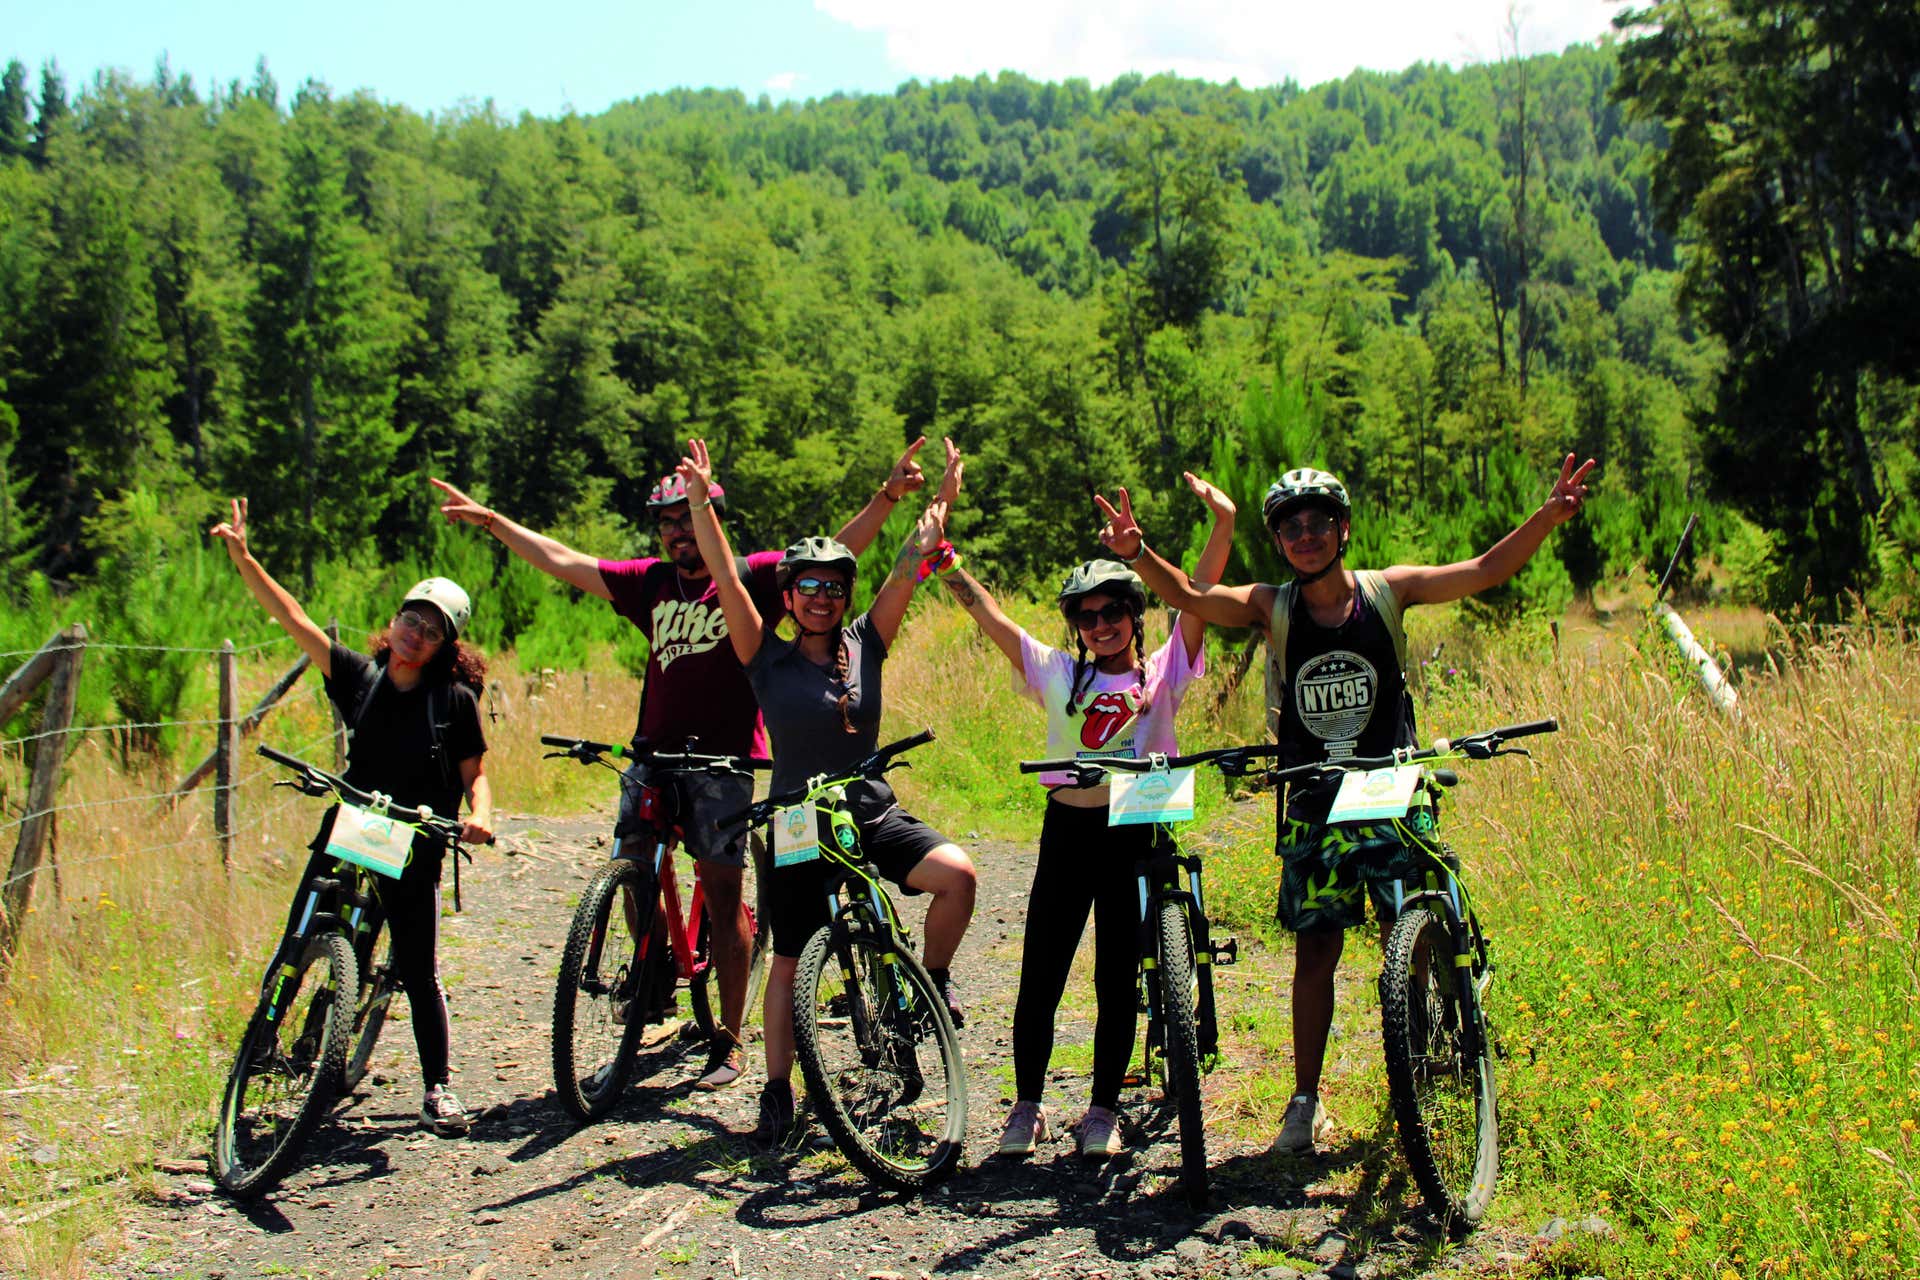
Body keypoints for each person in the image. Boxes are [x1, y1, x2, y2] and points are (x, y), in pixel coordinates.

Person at [1094, 454, 1596, 1154]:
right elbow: (1192, 595)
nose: (1305, 536)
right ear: (1279, 541)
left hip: (1390, 783)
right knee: (1316, 950)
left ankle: (1424, 1055)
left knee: (1406, 928)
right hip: (1314, 794)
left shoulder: (1388, 591)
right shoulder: (1272, 606)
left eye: (1318, 522)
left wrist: (1547, 516)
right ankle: (1305, 1100)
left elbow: (1484, 570)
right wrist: (1136, 553)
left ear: (1343, 529)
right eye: (1291, 527)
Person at [429, 440, 951, 1090]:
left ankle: (729, 1038)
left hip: (723, 762)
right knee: (631, 872)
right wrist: (492, 522)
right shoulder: (649, 582)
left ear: (709, 518)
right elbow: (564, 561)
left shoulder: (749, 576)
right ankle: (651, 980)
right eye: (667, 523)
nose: (678, 532)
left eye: (687, 517)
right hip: (653, 755)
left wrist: (888, 496)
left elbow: (832, 555)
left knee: (725, 895)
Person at [673, 437, 979, 1145]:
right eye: (807, 588)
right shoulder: (764, 656)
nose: (821, 598)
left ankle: (930, 982)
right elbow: (724, 575)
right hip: (796, 823)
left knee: (958, 877)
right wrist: (700, 503)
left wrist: (943, 498)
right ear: (788, 598)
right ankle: (777, 1089)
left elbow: (911, 561)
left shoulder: (868, 640)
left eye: (833, 587)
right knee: (789, 960)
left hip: (870, 808)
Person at [937, 472, 1236, 1161]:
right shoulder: (1059, 674)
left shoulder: (1162, 671)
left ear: (1134, 613)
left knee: (1114, 979)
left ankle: (1103, 1110)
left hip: (1135, 832)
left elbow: (1197, 595)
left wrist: (1221, 525)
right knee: (1041, 971)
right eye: (1087, 617)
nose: (1101, 626)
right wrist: (944, 561)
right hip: (1067, 830)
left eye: (1113, 613)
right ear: (1076, 625)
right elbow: (992, 620)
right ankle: (1027, 1105)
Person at [209, 498, 494, 1135]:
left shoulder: (454, 700)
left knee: (418, 968)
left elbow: (475, 775)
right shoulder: (359, 676)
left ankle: (438, 1088)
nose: (415, 633)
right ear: (394, 621)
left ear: (445, 646)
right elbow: (292, 616)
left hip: (415, 837)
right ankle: (263, 1041)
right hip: (353, 822)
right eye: (410, 619)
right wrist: (244, 558)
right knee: (298, 933)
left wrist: (478, 816)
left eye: (431, 630)